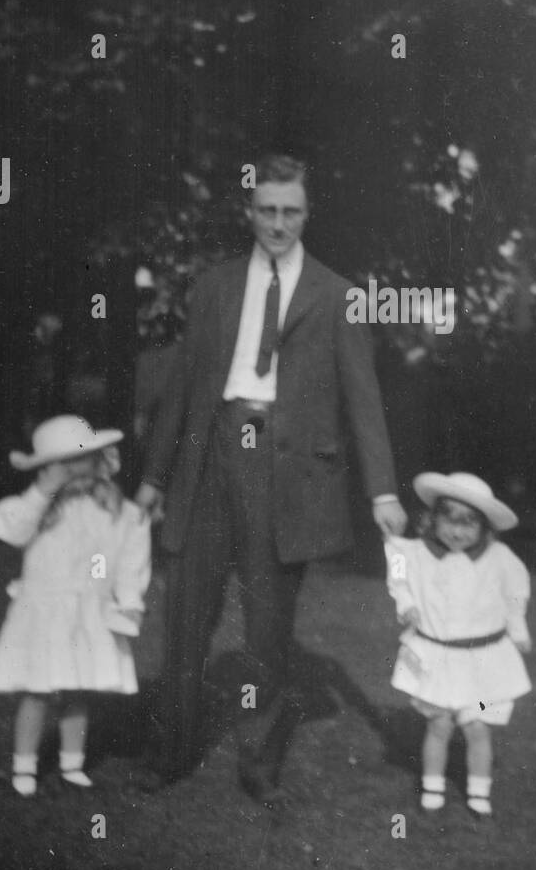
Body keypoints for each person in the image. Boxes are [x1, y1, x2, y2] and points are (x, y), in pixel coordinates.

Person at [136, 154, 407, 800]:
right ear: (249, 211)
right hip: (211, 455)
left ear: (306, 214)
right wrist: (152, 480)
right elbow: (181, 387)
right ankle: (168, 750)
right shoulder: (214, 286)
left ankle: (258, 757)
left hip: (282, 475)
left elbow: (362, 398)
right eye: (266, 210)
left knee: (266, 625)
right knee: (185, 613)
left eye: (290, 211)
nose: (278, 223)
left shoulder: (338, 296)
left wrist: (384, 490)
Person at [0, 415, 152, 796]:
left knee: (79, 688)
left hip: (87, 611)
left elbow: (127, 560)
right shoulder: (36, 509)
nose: (75, 470)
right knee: (37, 690)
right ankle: (24, 767)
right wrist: (43, 492)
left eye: (83, 459)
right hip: (43, 612)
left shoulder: (117, 512)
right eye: (64, 464)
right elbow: (10, 529)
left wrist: (129, 602)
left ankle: (71, 762)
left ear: (99, 461)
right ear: (47, 470)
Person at [385, 472, 531, 818]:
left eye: (468, 524)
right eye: (449, 520)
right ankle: (432, 783)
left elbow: (515, 594)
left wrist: (518, 629)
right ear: (433, 519)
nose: (457, 531)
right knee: (439, 724)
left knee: (477, 726)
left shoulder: (499, 557)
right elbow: (398, 570)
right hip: (435, 657)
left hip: (483, 662)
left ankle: (479, 790)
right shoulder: (417, 553)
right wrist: (407, 605)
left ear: (483, 528)